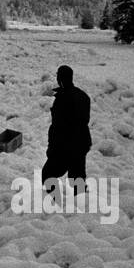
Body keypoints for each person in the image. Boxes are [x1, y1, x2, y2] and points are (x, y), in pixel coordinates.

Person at [42, 65, 92, 193]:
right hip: (81, 143)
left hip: (65, 146)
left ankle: (53, 201)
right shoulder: (83, 96)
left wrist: (51, 150)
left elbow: (58, 128)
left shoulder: (63, 99)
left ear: (59, 79)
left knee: (48, 174)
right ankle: (82, 204)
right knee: (77, 177)